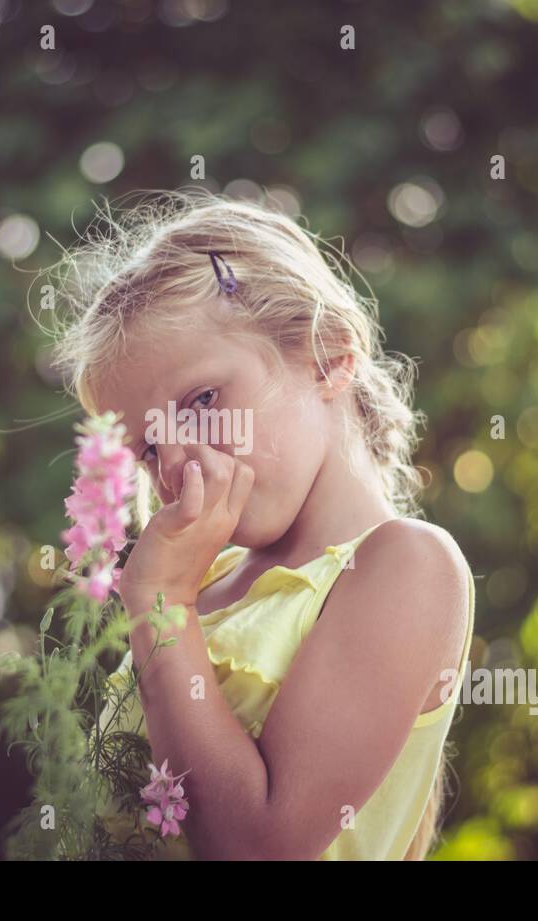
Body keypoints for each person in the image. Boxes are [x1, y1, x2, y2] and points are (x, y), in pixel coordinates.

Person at [46, 188, 475, 860]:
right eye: (148, 448)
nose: (177, 462)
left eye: (203, 400)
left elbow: (257, 848)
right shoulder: (204, 581)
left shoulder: (406, 566)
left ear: (328, 355)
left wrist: (164, 607)